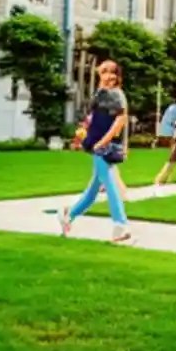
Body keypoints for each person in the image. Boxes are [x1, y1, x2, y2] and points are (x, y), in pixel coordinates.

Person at [57, 59, 133, 245]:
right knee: (94, 190)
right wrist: (84, 135)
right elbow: (92, 118)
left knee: (107, 184)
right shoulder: (100, 93)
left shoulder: (116, 95)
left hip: (105, 146)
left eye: (112, 72)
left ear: (117, 76)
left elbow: (120, 121)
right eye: (104, 71)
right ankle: (69, 215)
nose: (108, 75)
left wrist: (102, 142)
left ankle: (120, 225)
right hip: (97, 145)